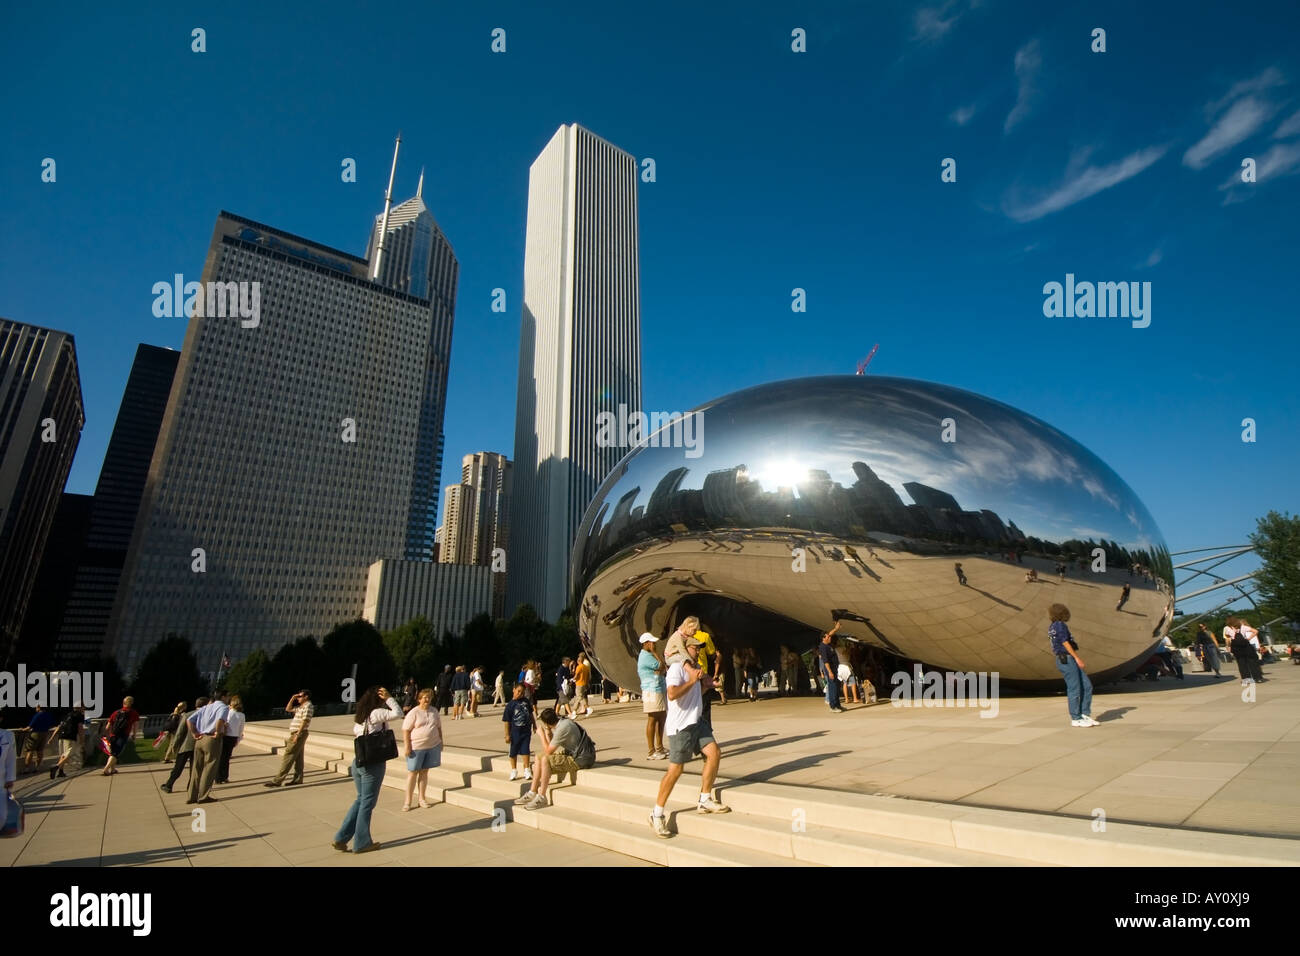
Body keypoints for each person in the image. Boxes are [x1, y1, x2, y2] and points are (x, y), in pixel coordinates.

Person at [649, 635, 731, 838]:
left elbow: (693, 695)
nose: (698, 651)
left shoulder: (695, 668)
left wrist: (706, 686)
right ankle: (656, 813)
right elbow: (672, 694)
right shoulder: (677, 668)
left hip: (697, 722)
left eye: (699, 648)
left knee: (714, 753)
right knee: (675, 770)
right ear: (686, 649)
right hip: (681, 727)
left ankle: (705, 799)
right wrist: (693, 680)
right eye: (695, 648)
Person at [333, 686, 402, 853]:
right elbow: (398, 713)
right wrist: (389, 698)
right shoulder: (376, 713)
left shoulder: (361, 716)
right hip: (373, 764)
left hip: (358, 762)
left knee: (361, 800)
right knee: (367, 803)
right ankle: (362, 842)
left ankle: (341, 838)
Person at [514, 707, 593, 810]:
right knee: (539, 757)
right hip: (576, 753)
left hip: (581, 759)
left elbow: (548, 752)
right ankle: (532, 792)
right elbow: (551, 745)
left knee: (545, 759)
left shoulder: (562, 728)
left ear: (546, 723)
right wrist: (548, 731)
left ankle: (542, 797)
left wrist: (542, 735)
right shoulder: (562, 722)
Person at [1048, 604, 1097, 727]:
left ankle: (1084, 714)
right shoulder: (1060, 625)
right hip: (1067, 659)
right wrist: (1077, 658)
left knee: (1087, 686)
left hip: (1066, 659)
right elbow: (1065, 642)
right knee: (1074, 689)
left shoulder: (1052, 626)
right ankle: (1076, 718)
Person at [264, 689, 314, 787]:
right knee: (298, 758)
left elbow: (305, 721)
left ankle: (277, 780)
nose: (298, 698)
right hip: (298, 733)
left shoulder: (308, 706)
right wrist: (292, 698)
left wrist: (297, 734)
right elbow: (288, 709)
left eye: (300, 696)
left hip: (299, 733)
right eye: (298, 696)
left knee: (288, 756)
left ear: (306, 697)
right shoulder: (301, 707)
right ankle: (298, 779)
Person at [402, 688, 442, 810]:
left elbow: (438, 727)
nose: (427, 699)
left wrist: (441, 741)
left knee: (424, 772)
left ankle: (422, 798)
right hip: (416, 747)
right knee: (413, 772)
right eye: (425, 697)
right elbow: (406, 730)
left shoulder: (434, 711)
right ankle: (408, 801)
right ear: (419, 699)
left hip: (432, 745)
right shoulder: (414, 712)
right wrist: (407, 746)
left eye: (429, 697)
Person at [186, 694, 230, 804]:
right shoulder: (223, 707)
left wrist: (194, 733)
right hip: (211, 739)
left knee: (197, 768)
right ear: (223, 697)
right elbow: (220, 720)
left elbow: (189, 720)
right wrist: (218, 732)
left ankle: (192, 796)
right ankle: (203, 796)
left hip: (200, 738)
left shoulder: (206, 707)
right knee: (209, 768)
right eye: (227, 696)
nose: (228, 699)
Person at [161, 697, 206, 792]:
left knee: (178, 767)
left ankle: (169, 785)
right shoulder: (206, 716)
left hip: (186, 745)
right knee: (194, 768)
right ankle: (191, 787)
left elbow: (180, 732)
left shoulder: (188, 715)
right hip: (199, 744)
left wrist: (174, 746)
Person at [638, 633, 668, 760]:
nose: (654, 644)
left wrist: (661, 668)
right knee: (653, 718)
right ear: (646, 643)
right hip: (652, 690)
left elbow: (663, 668)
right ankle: (651, 751)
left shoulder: (648, 655)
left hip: (657, 688)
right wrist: (655, 653)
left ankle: (659, 747)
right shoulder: (646, 656)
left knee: (661, 717)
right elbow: (661, 665)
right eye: (652, 642)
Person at [502, 684, 535, 781]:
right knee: (513, 751)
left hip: (526, 731)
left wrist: (534, 725)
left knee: (525, 750)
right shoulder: (510, 705)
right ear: (514, 690)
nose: (520, 694)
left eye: (522, 692)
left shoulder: (526, 701)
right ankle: (514, 770)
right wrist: (507, 735)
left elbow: (530, 714)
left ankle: (527, 769)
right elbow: (506, 721)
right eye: (518, 691)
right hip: (515, 732)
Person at [101, 697, 140, 775]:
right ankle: (106, 769)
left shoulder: (116, 712)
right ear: (131, 703)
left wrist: (107, 736)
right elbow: (135, 725)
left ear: (123, 703)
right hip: (123, 735)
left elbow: (107, 727)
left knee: (113, 752)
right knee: (115, 753)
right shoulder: (133, 713)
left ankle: (113, 769)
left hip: (113, 735)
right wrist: (134, 734)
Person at [50, 702, 87, 779]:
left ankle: (61, 772)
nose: (84, 709)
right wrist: (82, 740)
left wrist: (51, 738)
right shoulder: (79, 715)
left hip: (61, 736)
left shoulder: (67, 714)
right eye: (83, 707)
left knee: (63, 755)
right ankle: (56, 767)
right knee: (69, 754)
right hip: (70, 736)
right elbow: (80, 728)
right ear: (80, 707)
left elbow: (59, 726)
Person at [19, 705, 57, 774]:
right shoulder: (48, 715)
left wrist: (22, 729)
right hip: (45, 733)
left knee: (30, 751)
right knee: (40, 751)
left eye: (36, 707)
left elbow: (30, 727)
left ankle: (27, 768)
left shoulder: (38, 715)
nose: (35, 708)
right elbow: (51, 725)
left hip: (36, 734)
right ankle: (37, 767)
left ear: (39, 708)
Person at [216, 695, 245, 784]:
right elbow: (241, 729)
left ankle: (218, 777)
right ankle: (225, 776)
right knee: (227, 758)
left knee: (221, 757)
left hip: (225, 736)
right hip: (233, 737)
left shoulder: (228, 712)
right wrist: (238, 739)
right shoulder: (241, 715)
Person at [819, 622, 844, 712]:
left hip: (834, 668)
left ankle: (838, 705)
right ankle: (833, 706)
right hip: (830, 669)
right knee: (833, 687)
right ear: (823, 638)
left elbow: (830, 633)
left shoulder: (827, 644)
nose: (830, 637)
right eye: (828, 637)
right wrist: (830, 672)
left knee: (836, 686)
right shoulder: (823, 647)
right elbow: (825, 661)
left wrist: (836, 628)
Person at [572, 653, 593, 717]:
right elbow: (588, 676)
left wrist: (572, 680)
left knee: (580, 697)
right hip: (584, 683)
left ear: (578, 661)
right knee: (579, 697)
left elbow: (576, 676)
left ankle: (588, 708)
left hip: (579, 684)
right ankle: (574, 711)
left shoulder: (579, 667)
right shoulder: (586, 667)